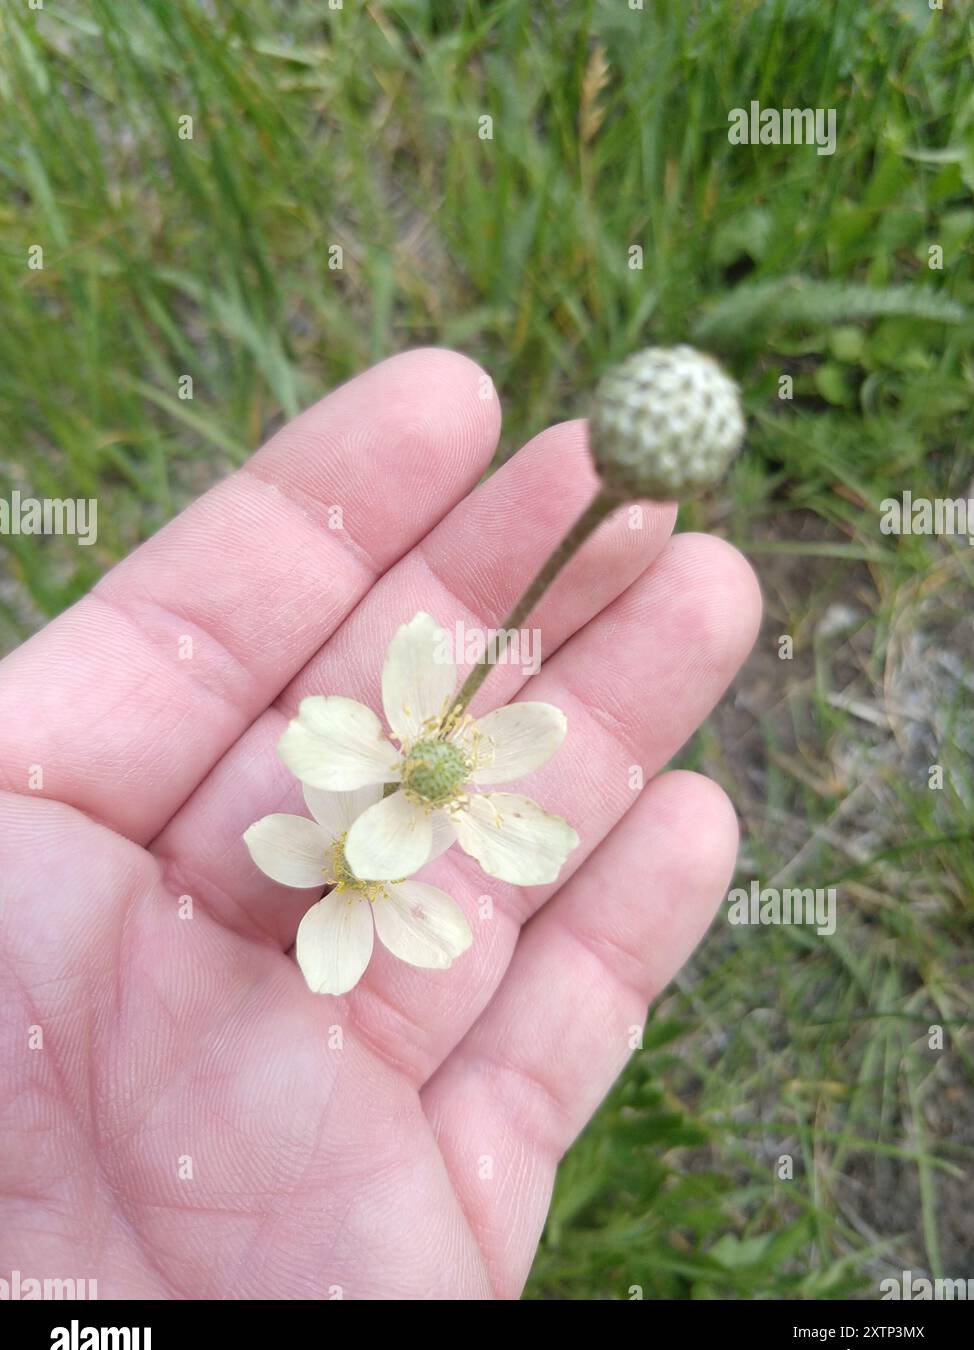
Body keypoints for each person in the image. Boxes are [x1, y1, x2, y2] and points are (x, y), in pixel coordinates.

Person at [0, 348, 761, 1299]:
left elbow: (430, 814)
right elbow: (353, 826)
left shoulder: (429, 807)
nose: (439, 766)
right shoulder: (372, 801)